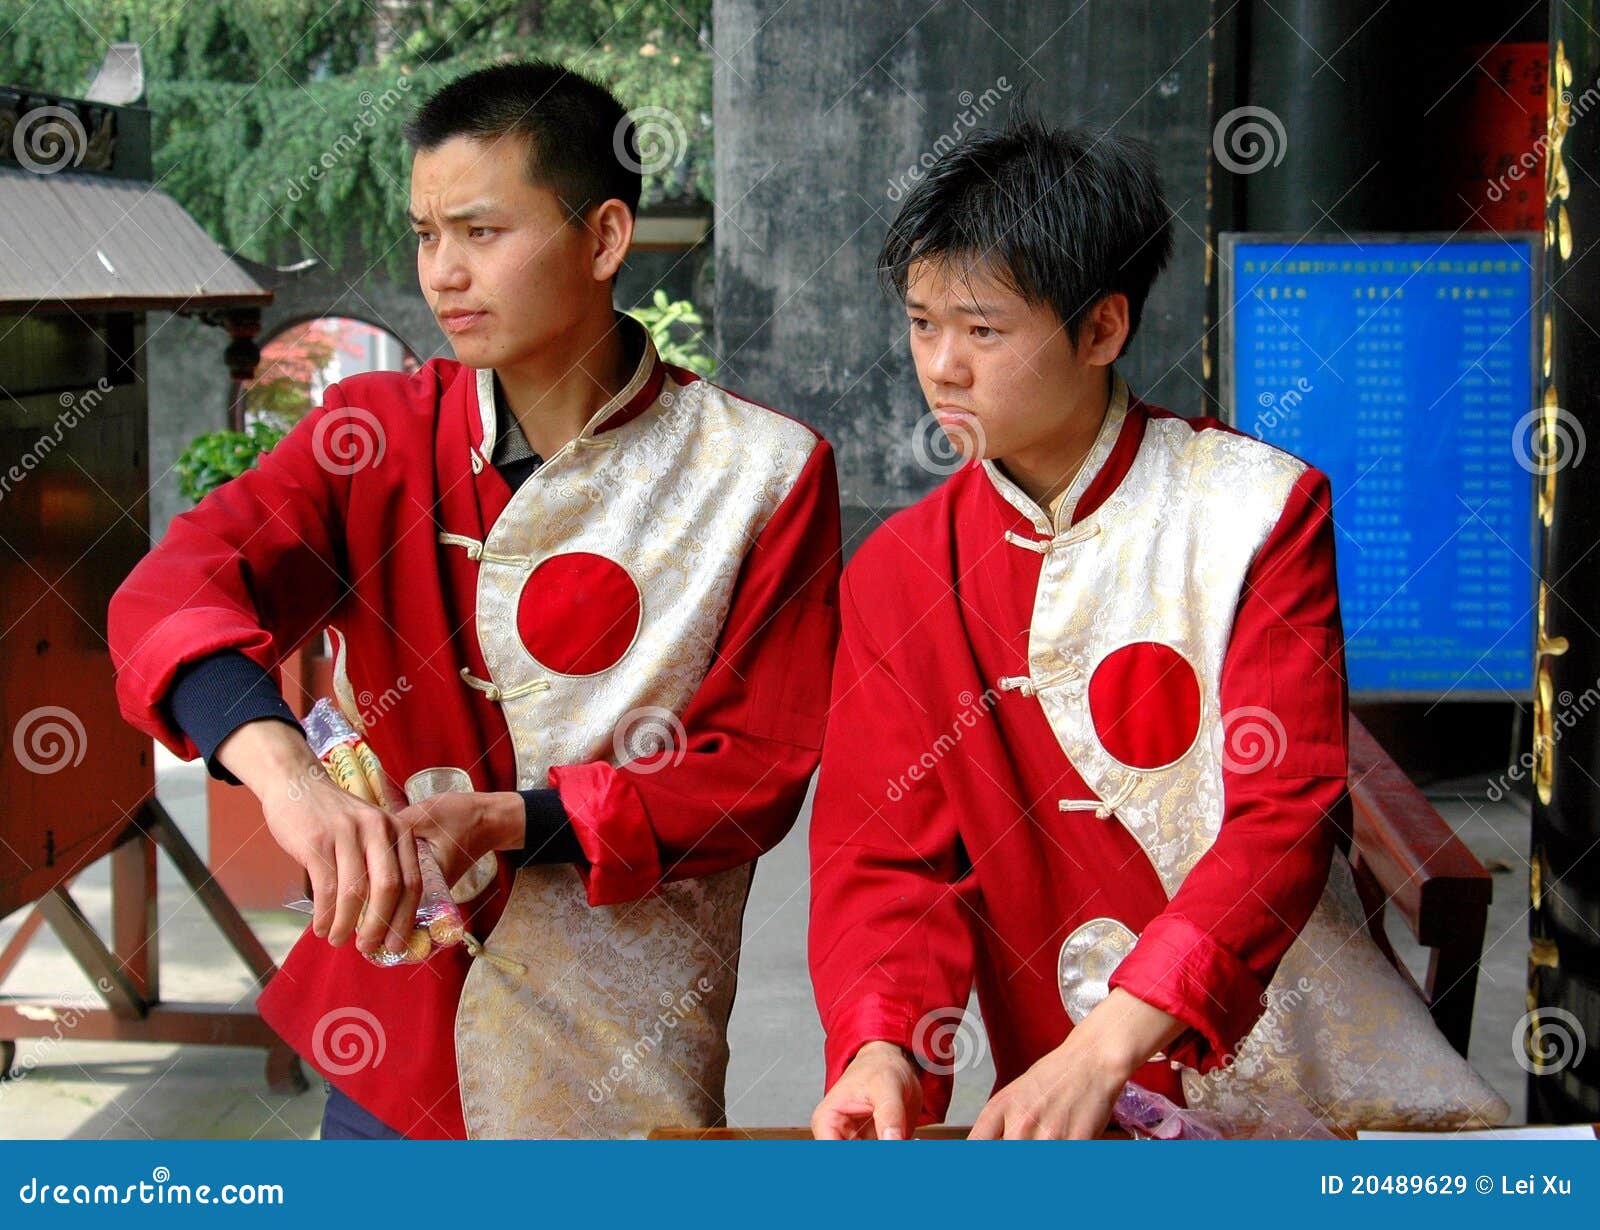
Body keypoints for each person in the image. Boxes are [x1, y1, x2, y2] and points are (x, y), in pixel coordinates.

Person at [108, 60, 840, 1139]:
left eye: (482, 233)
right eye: (424, 233)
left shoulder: (762, 471)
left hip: (621, 1031)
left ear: (602, 239)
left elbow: (751, 770)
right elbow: (177, 587)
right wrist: (287, 777)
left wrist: (513, 823)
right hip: (395, 1032)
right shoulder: (378, 436)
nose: (443, 273)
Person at [806, 118, 1504, 1140]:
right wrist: (879, 1044)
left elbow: (1286, 814)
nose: (941, 366)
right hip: (1058, 1086)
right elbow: (884, 859)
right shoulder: (902, 571)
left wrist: (1105, 1043)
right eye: (920, 323)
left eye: (982, 329)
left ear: (1101, 331)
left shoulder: (1256, 509)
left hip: (1300, 1055)